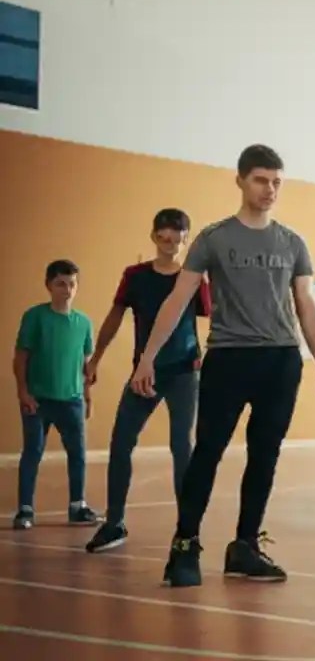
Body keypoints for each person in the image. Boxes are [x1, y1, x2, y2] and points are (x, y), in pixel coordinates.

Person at [128, 144, 315, 588]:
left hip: (281, 360)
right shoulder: (214, 238)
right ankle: (185, 545)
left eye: (277, 181)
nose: (270, 189)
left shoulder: (293, 242)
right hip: (228, 357)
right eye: (261, 180)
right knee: (208, 452)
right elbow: (177, 301)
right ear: (240, 180)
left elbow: (307, 306)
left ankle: (244, 546)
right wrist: (147, 356)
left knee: (266, 454)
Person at [84, 209, 212, 553]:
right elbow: (114, 317)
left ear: (186, 239)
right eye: (164, 235)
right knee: (121, 442)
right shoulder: (135, 276)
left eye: (177, 235)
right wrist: (95, 359)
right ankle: (114, 524)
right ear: (154, 236)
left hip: (185, 372)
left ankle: (187, 532)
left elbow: (216, 317)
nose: (170, 241)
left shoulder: (194, 278)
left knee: (182, 447)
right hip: (145, 372)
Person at [12, 260, 99, 530]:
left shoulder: (83, 322)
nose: (67, 289)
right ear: (49, 285)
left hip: (71, 399)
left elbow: (87, 364)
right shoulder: (35, 317)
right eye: (61, 283)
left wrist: (87, 395)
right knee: (33, 451)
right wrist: (23, 392)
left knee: (78, 453)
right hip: (38, 399)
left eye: (72, 284)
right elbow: (21, 357)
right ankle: (25, 509)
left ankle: (77, 506)